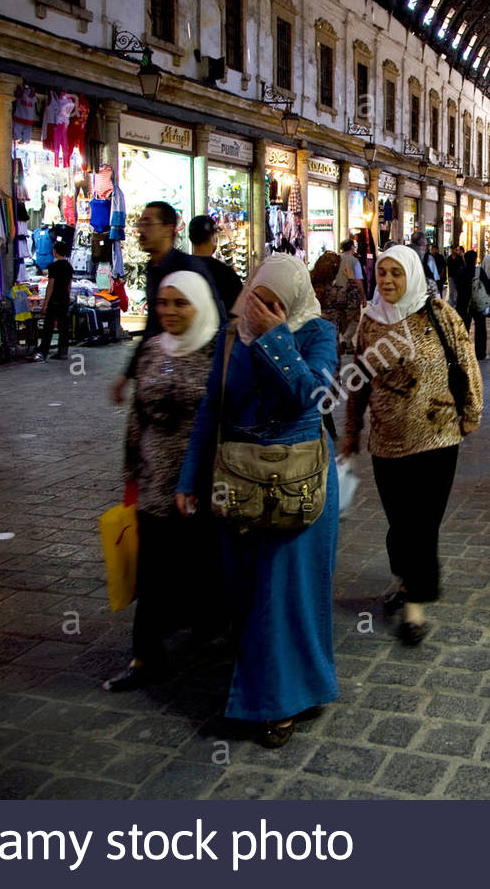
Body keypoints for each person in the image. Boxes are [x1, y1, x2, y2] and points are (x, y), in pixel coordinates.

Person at [176, 256, 340, 748]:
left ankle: (278, 703)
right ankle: (280, 687)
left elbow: (311, 395)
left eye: (274, 305)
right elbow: (213, 409)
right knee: (249, 592)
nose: (262, 309)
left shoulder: (317, 333)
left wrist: (274, 339)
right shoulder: (230, 337)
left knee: (287, 593)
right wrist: (189, 477)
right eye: (257, 299)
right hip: (239, 477)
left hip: (298, 480)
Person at [344, 245, 483, 646]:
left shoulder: (439, 315)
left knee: (422, 523)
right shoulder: (370, 322)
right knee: (399, 522)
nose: (387, 280)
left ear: (413, 276)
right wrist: (352, 429)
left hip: (437, 437)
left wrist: (472, 411)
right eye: (382, 273)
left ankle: (414, 607)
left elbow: (466, 363)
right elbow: (358, 381)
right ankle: (406, 579)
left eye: (396, 274)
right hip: (387, 440)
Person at [104, 271, 221, 691]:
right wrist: (131, 476)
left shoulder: (218, 352)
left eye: (179, 303)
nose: (169, 312)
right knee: (151, 572)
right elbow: (137, 419)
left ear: (199, 305)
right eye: (163, 303)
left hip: (203, 484)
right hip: (156, 483)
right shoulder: (152, 349)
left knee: (205, 565)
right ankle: (144, 657)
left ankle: (210, 641)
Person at [110, 201, 224, 405]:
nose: (141, 230)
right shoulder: (153, 269)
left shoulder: (188, 268)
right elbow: (151, 327)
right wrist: (128, 375)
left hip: (192, 379)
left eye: (148, 223)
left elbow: (218, 322)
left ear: (168, 229)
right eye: (140, 224)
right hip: (160, 374)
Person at [32, 224, 74, 361]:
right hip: (64, 299)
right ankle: (63, 352)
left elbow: (51, 285)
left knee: (48, 327)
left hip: (54, 299)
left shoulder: (53, 266)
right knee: (63, 327)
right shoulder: (68, 266)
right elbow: (69, 284)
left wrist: (45, 303)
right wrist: (68, 297)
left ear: (55, 252)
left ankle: (43, 351)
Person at [188, 214, 242, 315]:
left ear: (190, 238)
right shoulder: (226, 274)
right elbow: (237, 314)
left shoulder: (181, 269)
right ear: (214, 238)